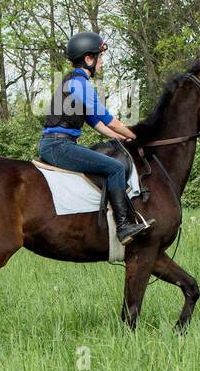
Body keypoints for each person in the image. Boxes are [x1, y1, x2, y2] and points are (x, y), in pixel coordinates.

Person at [40, 32, 150, 244]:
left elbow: (96, 123)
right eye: (100, 57)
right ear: (88, 59)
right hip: (58, 145)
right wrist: (136, 135)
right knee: (115, 167)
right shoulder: (80, 84)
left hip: (58, 144)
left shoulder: (73, 82)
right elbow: (108, 119)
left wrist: (122, 138)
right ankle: (123, 227)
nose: (102, 62)